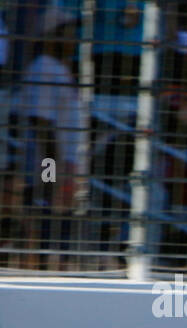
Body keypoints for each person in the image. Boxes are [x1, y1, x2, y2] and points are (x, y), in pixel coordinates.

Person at [14, 5, 87, 270]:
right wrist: (53, 172)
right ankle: (40, 268)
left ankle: (48, 267)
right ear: (52, 35)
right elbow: (42, 122)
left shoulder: (58, 68)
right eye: (68, 33)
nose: (74, 40)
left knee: (56, 218)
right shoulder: (45, 68)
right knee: (45, 215)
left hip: (58, 163)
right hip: (48, 162)